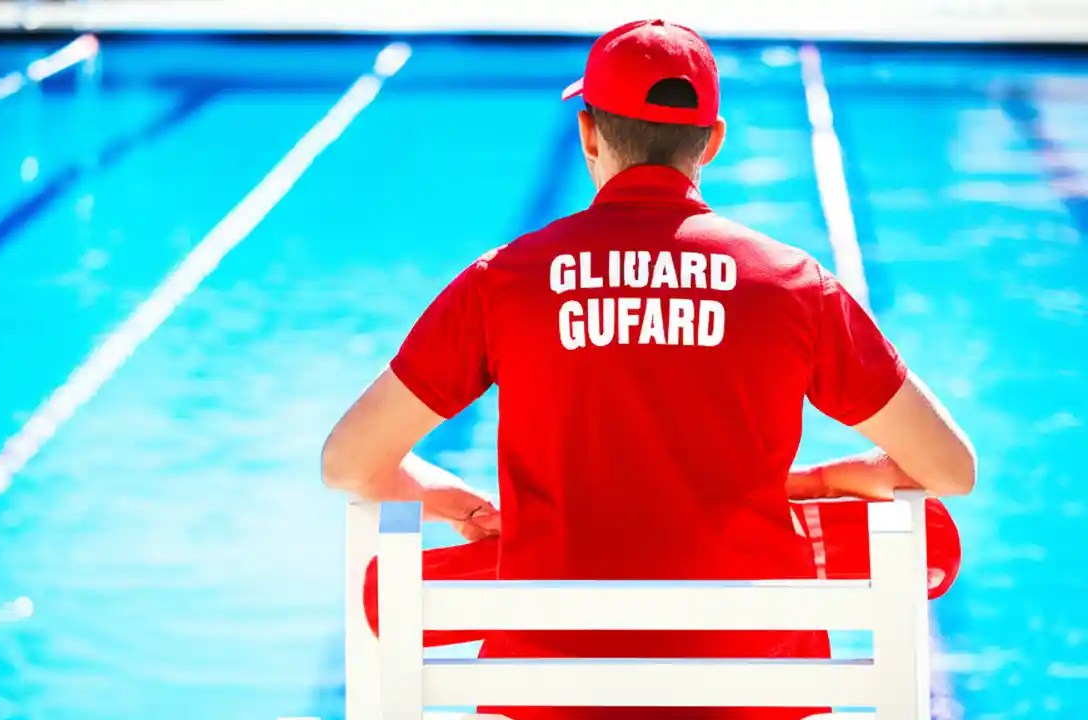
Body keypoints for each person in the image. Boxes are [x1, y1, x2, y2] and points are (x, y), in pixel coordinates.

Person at [321, 19, 976, 720]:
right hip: (756, 700)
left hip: (550, 703)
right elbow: (951, 471)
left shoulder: (503, 281)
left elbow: (350, 464)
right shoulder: (794, 285)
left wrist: (466, 507)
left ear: (589, 134)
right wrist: (823, 481)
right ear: (712, 142)